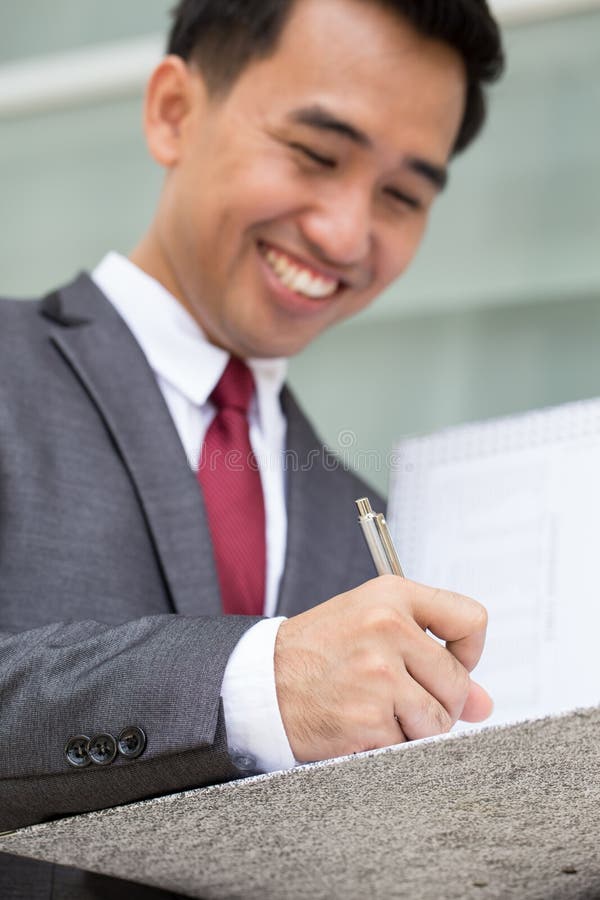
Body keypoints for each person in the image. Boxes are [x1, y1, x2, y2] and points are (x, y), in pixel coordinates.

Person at [0, 0, 504, 897]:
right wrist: (253, 685)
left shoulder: (367, 523)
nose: (347, 235)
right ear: (173, 112)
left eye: (402, 195)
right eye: (315, 154)